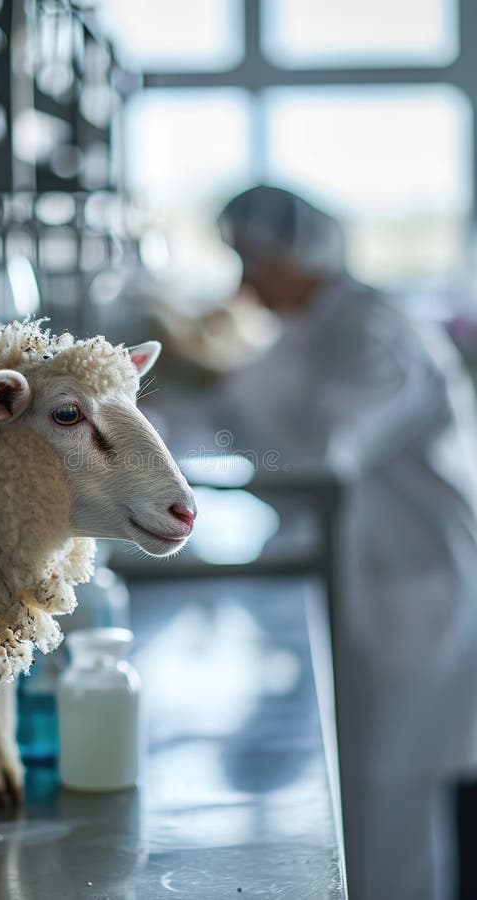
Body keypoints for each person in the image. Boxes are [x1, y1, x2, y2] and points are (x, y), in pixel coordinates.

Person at [214, 185, 477, 900]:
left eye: (254, 261)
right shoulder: (314, 327)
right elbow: (247, 423)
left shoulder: (375, 331)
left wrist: (221, 398)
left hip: (412, 585)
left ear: (298, 253)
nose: (244, 285)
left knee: (391, 794)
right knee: (362, 789)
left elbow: (322, 455)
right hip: (369, 574)